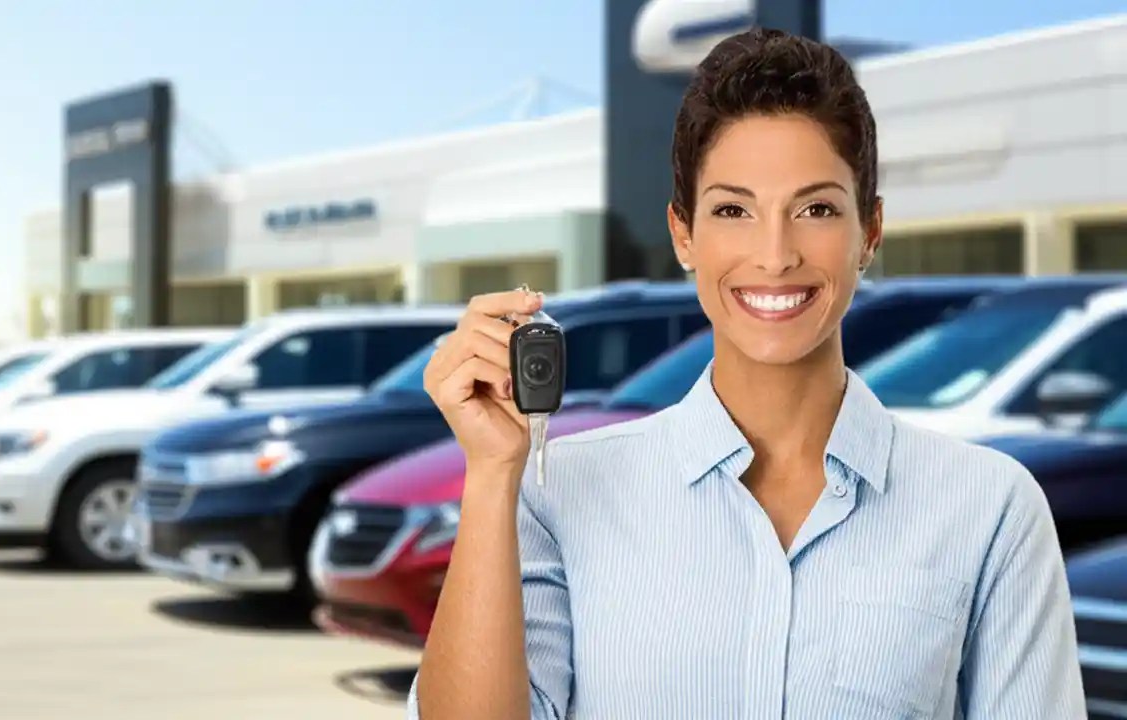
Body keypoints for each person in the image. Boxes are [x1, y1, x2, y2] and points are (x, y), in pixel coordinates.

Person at [409, 28, 1085, 720]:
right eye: (733, 210)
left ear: (870, 233)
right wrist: (492, 473)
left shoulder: (989, 509)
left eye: (816, 209)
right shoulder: (555, 494)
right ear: (683, 235)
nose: (774, 254)